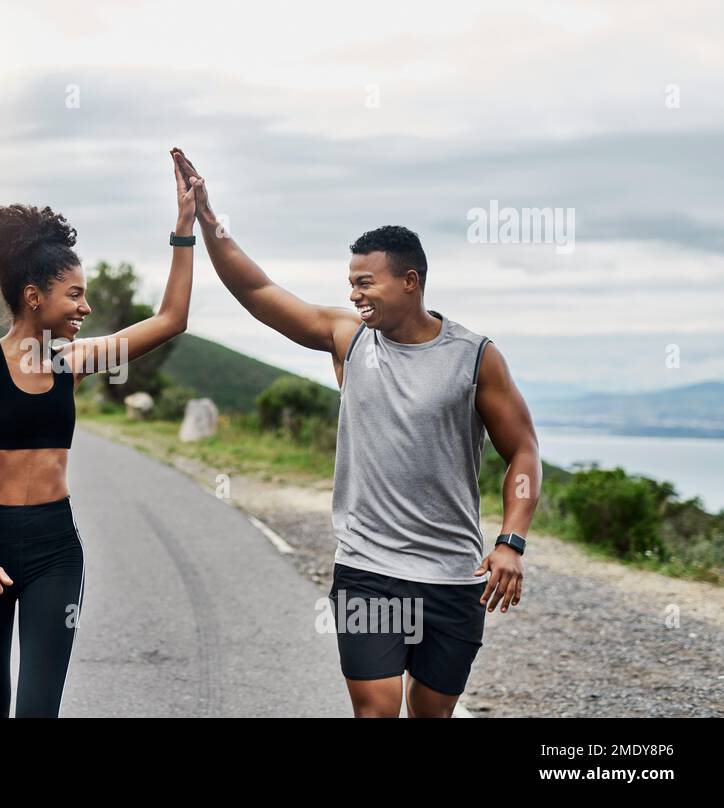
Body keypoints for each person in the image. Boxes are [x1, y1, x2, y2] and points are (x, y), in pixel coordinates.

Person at [172, 148, 541, 718]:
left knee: (433, 713)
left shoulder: (474, 357)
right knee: (375, 710)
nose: (353, 295)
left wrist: (510, 541)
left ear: (410, 281)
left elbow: (522, 450)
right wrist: (208, 220)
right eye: (350, 283)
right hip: (369, 569)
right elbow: (258, 292)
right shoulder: (348, 338)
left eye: (365, 282)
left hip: (452, 572)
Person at [0, 149, 198, 717]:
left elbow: (170, 319)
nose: (86, 305)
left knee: (36, 710)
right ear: (35, 296)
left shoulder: (71, 362)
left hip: (56, 548)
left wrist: (183, 230)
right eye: (75, 294)